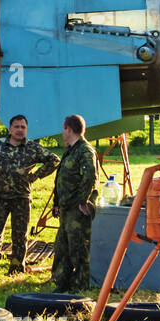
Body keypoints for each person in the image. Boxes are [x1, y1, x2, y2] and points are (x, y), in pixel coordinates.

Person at [0, 114, 59, 275]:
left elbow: (54, 160)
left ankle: (16, 270)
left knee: (20, 236)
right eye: (17, 127)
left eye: (23, 127)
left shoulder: (32, 147)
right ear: (10, 129)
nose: (20, 130)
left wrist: (37, 175)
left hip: (21, 198)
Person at [50, 113, 99, 292]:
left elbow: (90, 177)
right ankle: (62, 282)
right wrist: (56, 202)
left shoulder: (85, 150)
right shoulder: (71, 150)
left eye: (63, 129)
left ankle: (79, 285)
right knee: (63, 246)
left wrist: (83, 201)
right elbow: (61, 178)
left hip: (76, 209)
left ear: (68, 129)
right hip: (66, 208)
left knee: (78, 247)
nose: (62, 133)